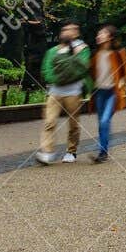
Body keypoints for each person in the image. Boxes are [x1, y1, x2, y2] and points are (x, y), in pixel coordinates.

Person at [36, 22, 91, 164]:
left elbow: (81, 69)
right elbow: (46, 70)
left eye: (71, 30)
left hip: (73, 92)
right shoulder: (52, 51)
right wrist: (56, 79)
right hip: (55, 92)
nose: (67, 32)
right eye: (65, 30)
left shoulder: (82, 49)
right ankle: (47, 152)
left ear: (76, 33)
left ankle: (71, 151)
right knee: (49, 122)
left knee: (73, 123)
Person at [90, 24, 126, 163]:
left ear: (110, 37)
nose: (98, 36)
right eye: (98, 34)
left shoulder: (119, 53)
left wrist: (121, 85)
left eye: (102, 34)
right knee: (102, 123)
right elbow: (91, 73)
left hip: (112, 92)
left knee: (104, 120)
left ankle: (102, 152)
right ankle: (103, 151)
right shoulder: (96, 54)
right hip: (99, 92)